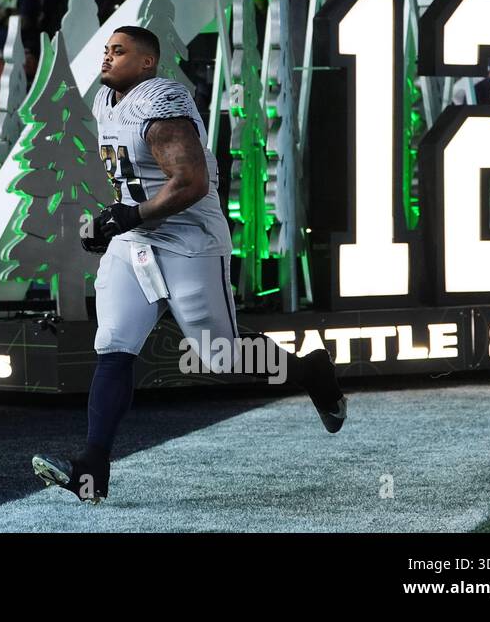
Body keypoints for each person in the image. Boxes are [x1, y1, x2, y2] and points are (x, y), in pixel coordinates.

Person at [31, 27, 346, 504]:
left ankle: (310, 372)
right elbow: (132, 180)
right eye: (106, 49)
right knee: (114, 345)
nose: (107, 57)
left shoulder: (159, 102)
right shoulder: (105, 101)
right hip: (137, 242)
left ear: (147, 63)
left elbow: (191, 182)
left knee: (220, 355)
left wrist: (128, 216)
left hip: (188, 240)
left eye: (120, 51)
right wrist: (112, 222)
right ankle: (92, 468)